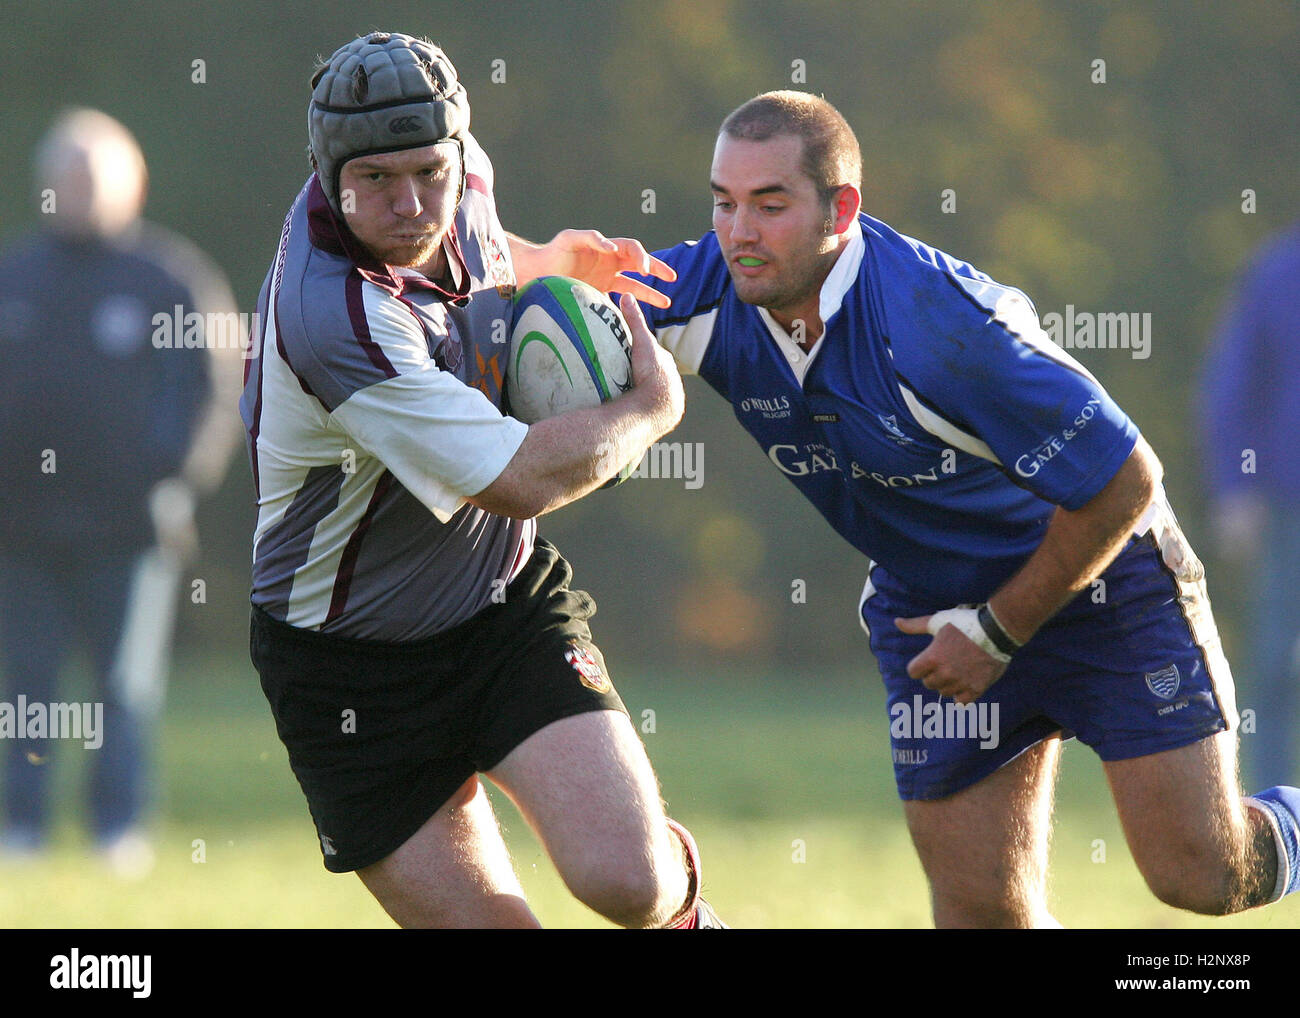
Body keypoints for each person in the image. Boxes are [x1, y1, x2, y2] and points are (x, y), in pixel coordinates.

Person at [632, 90, 1300, 927]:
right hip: (932, 610)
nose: (738, 232)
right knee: (982, 914)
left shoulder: (940, 328)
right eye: (723, 202)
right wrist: (457, 210)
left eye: (771, 205)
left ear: (842, 209)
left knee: (1200, 876)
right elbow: (549, 285)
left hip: (1103, 580)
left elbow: (1126, 479)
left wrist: (998, 631)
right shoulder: (708, 283)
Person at [240, 31, 722, 929]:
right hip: (347, 670)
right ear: (327, 170)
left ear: (457, 151)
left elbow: (477, 245)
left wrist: (549, 262)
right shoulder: (333, 315)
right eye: (375, 180)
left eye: (429, 171)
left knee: (634, 885)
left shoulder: (461, 178)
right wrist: (654, 410)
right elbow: (518, 481)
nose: (412, 202)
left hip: (500, 608)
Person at [0, 109, 242, 876]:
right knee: (26, 684)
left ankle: (118, 829)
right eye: (62, 177)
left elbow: (217, 390)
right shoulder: (14, 278)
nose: (74, 191)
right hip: (22, 531)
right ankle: (21, 828)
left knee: (122, 687)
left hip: (131, 531)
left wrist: (171, 479)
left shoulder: (170, 278)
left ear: (128, 185)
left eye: (90, 176)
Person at [1201, 221, 1300, 789]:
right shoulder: (1278, 272)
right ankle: (1268, 803)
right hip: (1287, 504)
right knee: (1274, 664)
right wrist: (1235, 487)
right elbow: (1233, 385)